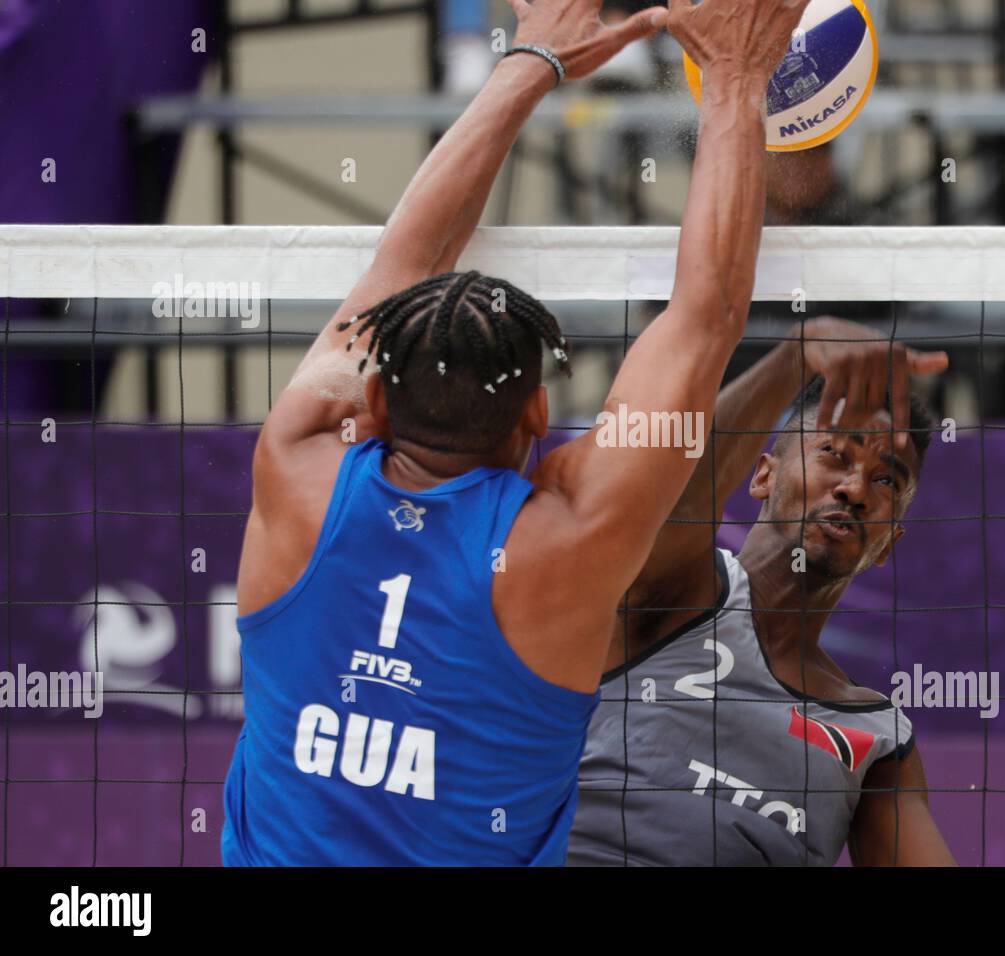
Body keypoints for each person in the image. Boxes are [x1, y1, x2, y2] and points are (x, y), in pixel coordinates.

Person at [221, 0, 820, 865]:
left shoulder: (298, 461)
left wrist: (531, 58)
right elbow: (706, 319)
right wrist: (734, 77)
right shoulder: (562, 542)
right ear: (537, 416)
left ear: (375, 402)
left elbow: (406, 264)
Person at [567, 319, 957, 865]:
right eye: (835, 455)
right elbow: (663, 496)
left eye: (886, 480)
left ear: (889, 544)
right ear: (763, 477)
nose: (854, 489)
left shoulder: (876, 735)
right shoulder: (679, 591)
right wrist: (793, 357)